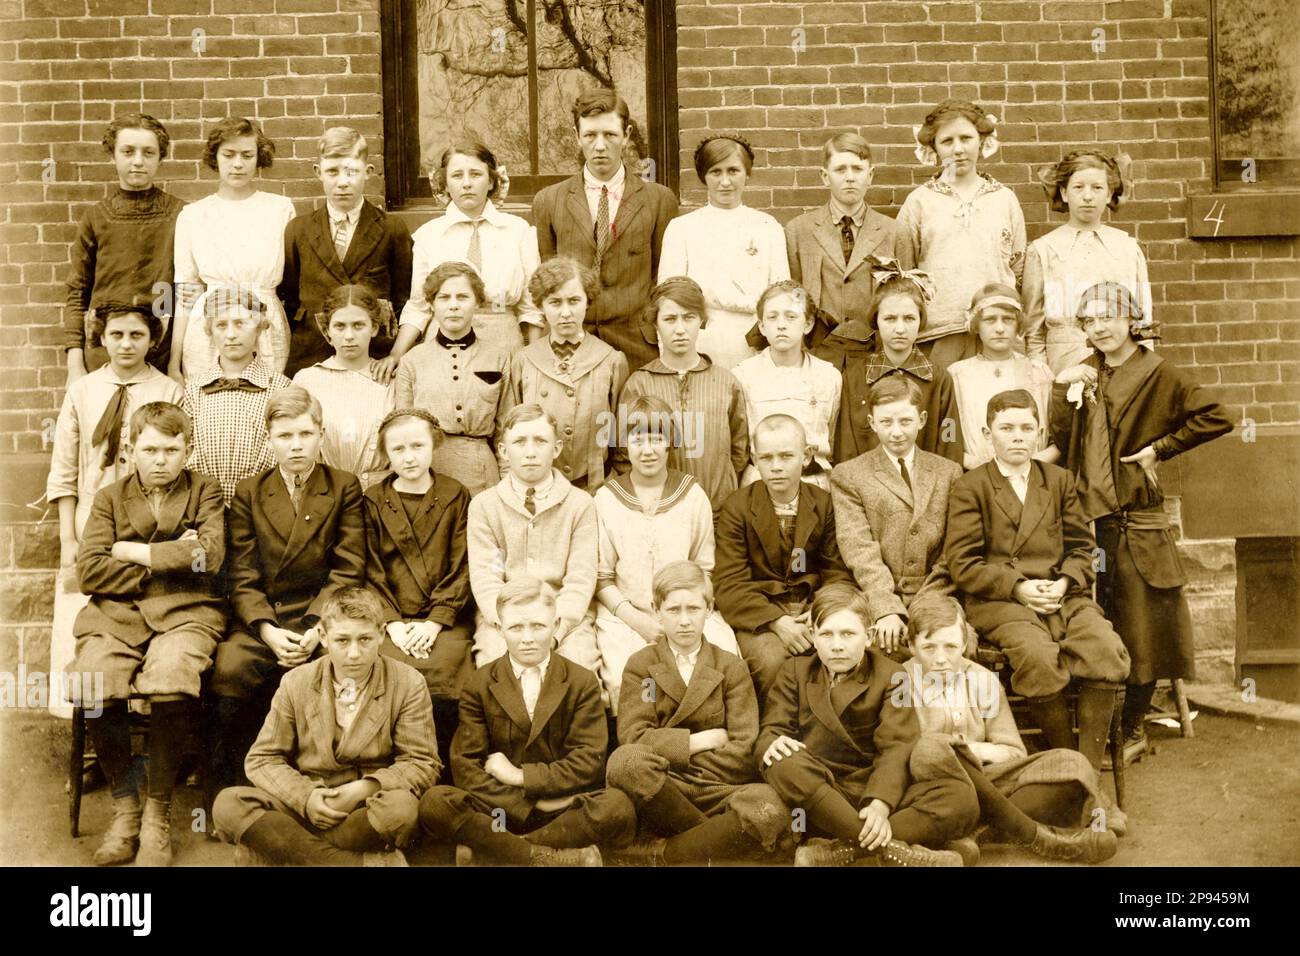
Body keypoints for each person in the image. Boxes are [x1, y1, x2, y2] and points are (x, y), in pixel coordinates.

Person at [1050, 281, 1232, 755]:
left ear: (1131, 318)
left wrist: (1160, 449)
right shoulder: (1086, 372)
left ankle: (1133, 726)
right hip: (1089, 520)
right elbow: (1063, 439)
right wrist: (1062, 389)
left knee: (1142, 623)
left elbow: (1217, 415)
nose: (1099, 327)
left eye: (1108, 316)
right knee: (1101, 620)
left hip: (1134, 518)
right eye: (1088, 320)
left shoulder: (1157, 372)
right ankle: (1102, 722)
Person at [68, 402, 226, 866]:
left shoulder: (206, 491)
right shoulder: (109, 498)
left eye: (172, 450)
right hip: (116, 616)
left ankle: (158, 813)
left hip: (188, 613)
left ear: (188, 450)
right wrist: (173, 555)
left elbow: (210, 560)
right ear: (131, 450)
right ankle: (125, 808)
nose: (161, 459)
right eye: (150, 449)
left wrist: (132, 551)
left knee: (174, 672)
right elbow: (90, 572)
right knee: (94, 679)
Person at [945, 388, 1131, 770]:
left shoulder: (1059, 480)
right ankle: (1065, 766)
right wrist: (1019, 587)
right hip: (1002, 602)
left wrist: (1064, 583)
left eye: (1027, 428)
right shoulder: (970, 486)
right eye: (1007, 428)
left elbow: (1085, 550)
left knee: (1103, 648)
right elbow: (963, 564)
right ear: (986, 433)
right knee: (1037, 657)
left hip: (1062, 594)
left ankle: (1089, 773)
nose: (1017, 436)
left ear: (1039, 433)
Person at [208, 387, 367, 794]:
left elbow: (348, 568)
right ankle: (232, 786)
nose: (296, 445)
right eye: (285, 436)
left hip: (324, 618)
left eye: (305, 434)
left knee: (337, 666)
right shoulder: (249, 491)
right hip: (266, 619)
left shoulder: (345, 486)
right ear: (268, 439)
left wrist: (318, 627)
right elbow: (241, 574)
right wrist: (267, 630)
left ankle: (316, 783)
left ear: (321, 434)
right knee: (231, 667)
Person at [418, 578, 637, 866]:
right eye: (516, 628)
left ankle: (503, 850)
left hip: (560, 809)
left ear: (556, 624)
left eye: (538, 626)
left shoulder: (581, 682)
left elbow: (588, 762)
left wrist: (520, 777)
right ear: (498, 629)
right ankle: (543, 857)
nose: (528, 638)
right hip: (499, 811)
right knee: (436, 802)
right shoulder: (479, 684)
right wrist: (526, 804)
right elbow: (466, 767)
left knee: (616, 807)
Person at [212, 586, 437, 866]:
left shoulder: (407, 682)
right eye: (342, 640)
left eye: (365, 639)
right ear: (323, 637)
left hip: (365, 807)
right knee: (228, 804)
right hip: (306, 804)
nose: (354, 653)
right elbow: (262, 759)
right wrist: (307, 798)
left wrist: (364, 788)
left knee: (401, 811)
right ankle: (355, 863)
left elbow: (422, 762)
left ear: (381, 634)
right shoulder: (297, 681)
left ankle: (280, 851)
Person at [757, 582, 976, 867]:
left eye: (848, 634)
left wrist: (880, 803)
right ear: (813, 635)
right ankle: (895, 852)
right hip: (818, 793)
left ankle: (841, 851)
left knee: (960, 797)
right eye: (827, 634)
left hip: (870, 785)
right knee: (781, 760)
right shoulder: (795, 671)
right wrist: (772, 741)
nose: (837, 645)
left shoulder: (893, 675)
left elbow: (896, 746)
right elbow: (772, 729)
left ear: (869, 636)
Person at [899, 593, 1121, 863]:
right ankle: (1038, 837)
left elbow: (1013, 752)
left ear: (965, 644)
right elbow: (905, 756)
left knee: (1073, 763)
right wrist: (952, 751)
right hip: (934, 792)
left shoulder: (983, 680)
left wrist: (972, 750)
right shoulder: (899, 683)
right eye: (929, 648)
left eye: (951, 647)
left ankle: (976, 834)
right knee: (932, 748)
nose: (941, 659)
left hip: (989, 781)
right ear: (911, 646)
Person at [606, 561, 791, 865]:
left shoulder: (730, 666)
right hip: (661, 784)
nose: (684, 621)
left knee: (771, 807)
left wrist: (675, 753)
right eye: (673, 610)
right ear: (656, 610)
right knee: (624, 762)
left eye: (693, 609)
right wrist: (701, 741)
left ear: (709, 609)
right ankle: (709, 841)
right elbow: (634, 736)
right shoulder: (643, 666)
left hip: (715, 786)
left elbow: (743, 747)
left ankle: (664, 853)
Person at [47, 307, 182, 718]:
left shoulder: (168, 390)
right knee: (87, 631)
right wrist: (70, 539)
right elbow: (65, 469)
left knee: (138, 624)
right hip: (93, 524)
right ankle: (89, 735)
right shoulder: (83, 390)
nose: (126, 344)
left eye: (137, 335)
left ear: (152, 341)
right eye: (117, 334)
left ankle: (144, 735)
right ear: (102, 338)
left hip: (149, 531)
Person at [592, 395, 739, 710]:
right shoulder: (606, 498)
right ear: (623, 444)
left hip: (687, 611)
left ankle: (706, 748)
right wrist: (640, 622)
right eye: (637, 439)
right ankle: (643, 749)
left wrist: (682, 617)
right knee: (628, 680)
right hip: (626, 616)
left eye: (657, 438)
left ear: (671, 441)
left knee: (719, 670)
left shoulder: (692, 494)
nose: (648, 450)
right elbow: (602, 578)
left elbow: (705, 569)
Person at [532, 88, 679, 370]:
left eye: (610, 135)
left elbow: (662, 278)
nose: (600, 146)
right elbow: (547, 280)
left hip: (638, 344)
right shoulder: (549, 201)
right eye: (590, 135)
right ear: (577, 136)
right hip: (572, 343)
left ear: (626, 135)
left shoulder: (659, 199)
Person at [714, 414, 852, 705]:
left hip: (813, 608)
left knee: (837, 654)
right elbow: (729, 583)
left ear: (806, 456)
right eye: (766, 457)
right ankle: (775, 734)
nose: (776, 466)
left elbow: (836, 571)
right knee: (771, 661)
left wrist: (819, 612)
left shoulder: (824, 504)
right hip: (762, 614)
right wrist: (777, 622)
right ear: (754, 459)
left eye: (786, 456)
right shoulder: (737, 507)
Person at [363, 408, 474, 766]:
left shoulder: (456, 495)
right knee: (382, 671)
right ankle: (391, 765)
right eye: (398, 449)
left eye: (417, 445)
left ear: (434, 445)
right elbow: (370, 569)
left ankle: (442, 768)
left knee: (448, 669)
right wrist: (392, 623)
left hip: (443, 621)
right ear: (386, 453)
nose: (408, 457)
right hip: (390, 621)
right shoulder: (373, 500)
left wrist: (434, 621)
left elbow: (462, 566)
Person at [830, 376, 964, 658]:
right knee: (884, 651)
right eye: (886, 422)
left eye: (905, 421)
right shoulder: (850, 474)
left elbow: (954, 548)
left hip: (936, 592)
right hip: (876, 593)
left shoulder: (948, 472)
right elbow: (858, 547)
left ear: (922, 419)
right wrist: (886, 607)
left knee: (946, 647)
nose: (896, 432)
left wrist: (928, 601)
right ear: (872, 421)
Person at [466, 404, 601, 674]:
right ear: (503, 451)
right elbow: (486, 578)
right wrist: (512, 628)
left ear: (557, 448)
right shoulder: (484, 505)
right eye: (519, 442)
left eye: (540, 441)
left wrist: (553, 632)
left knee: (579, 674)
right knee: (494, 673)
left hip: (564, 620)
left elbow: (580, 579)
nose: (530, 452)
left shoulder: (580, 504)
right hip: (503, 622)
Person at [894, 100, 1026, 375]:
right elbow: (905, 274)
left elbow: (1018, 268)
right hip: (939, 336)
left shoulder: (1004, 199)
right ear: (934, 148)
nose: (958, 149)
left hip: (995, 332)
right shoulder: (919, 202)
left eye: (966, 138)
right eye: (947, 141)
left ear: (982, 142)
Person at [279, 126, 412, 378]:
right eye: (332, 171)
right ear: (318, 172)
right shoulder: (298, 230)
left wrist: (393, 353)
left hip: (374, 357)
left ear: (368, 172)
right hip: (313, 353)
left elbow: (403, 298)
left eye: (351, 172)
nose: (342, 182)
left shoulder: (391, 228)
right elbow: (289, 296)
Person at [170, 117, 295, 380]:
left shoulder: (280, 209)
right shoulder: (193, 215)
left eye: (247, 155)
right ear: (215, 158)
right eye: (229, 155)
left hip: (264, 324)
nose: (238, 164)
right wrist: (174, 359)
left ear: (258, 158)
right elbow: (184, 289)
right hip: (209, 328)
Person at [63, 114, 184, 382]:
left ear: (160, 158)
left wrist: (177, 360)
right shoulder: (96, 217)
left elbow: (188, 292)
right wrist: (75, 365)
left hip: (161, 351)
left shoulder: (181, 214)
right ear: (113, 155)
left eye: (148, 152)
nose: (138, 161)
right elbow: (77, 292)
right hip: (105, 351)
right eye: (128, 152)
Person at [396, 142, 541, 358]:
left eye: (475, 174)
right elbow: (419, 307)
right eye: (457, 175)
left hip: (503, 338)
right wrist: (395, 355)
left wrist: (534, 358)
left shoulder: (518, 231)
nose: (466, 184)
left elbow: (531, 307)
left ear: (491, 181)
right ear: (444, 184)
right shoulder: (428, 235)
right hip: (444, 340)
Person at [616, 276, 749, 510]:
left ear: (701, 321)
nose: (680, 329)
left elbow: (739, 452)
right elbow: (622, 454)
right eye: (669, 319)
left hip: (718, 512)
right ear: (655, 324)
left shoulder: (726, 382)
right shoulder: (638, 384)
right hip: (660, 512)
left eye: (689, 317)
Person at [659, 134, 789, 370]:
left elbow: (781, 294)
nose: (725, 182)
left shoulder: (768, 226)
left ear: (747, 173)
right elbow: (669, 299)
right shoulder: (681, 229)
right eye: (716, 172)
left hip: (755, 343)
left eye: (733, 171)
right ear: (703, 176)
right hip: (701, 341)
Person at [815, 262, 961, 464]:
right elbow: (845, 443)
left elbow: (950, 441)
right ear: (876, 321)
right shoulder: (855, 376)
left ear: (921, 321)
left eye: (909, 318)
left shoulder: (939, 379)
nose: (900, 328)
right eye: (890, 318)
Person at [1023, 151, 1151, 373]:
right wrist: (1040, 371)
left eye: (1097, 188)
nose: (1088, 196)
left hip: (1122, 360)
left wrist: (1144, 369)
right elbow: (1032, 325)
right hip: (1064, 362)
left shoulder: (1128, 248)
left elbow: (1144, 317)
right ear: (1064, 193)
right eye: (1078, 187)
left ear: (1110, 193)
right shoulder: (1044, 250)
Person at [393, 261, 514, 495]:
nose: (454, 306)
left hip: (481, 474)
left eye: (463, 297)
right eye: (444, 298)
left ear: (478, 302)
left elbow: (506, 428)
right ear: (432, 304)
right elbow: (403, 430)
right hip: (428, 473)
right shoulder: (412, 361)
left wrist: (509, 481)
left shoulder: (499, 358)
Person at [511, 257, 628, 491]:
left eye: (574, 301)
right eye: (555, 302)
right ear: (541, 306)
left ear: (587, 301)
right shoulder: (524, 361)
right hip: (538, 487)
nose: (566, 313)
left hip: (595, 487)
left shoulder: (611, 360)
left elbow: (621, 434)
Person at [784, 132, 901, 343]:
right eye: (840, 169)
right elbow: (794, 297)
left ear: (871, 175)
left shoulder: (893, 231)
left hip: (874, 349)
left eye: (857, 169)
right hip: (819, 349)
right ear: (824, 176)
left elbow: (903, 297)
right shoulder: (798, 230)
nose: (850, 177)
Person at [180, 288, 292, 505]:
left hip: (262, 504)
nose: (231, 334)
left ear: (259, 328)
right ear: (209, 331)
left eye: (241, 323)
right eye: (221, 325)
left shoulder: (279, 387)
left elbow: (282, 449)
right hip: (205, 505)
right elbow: (187, 450)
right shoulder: (195, 389)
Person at [732, 279, 841, 490]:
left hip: (815, 484)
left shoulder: (829, 376)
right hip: (760, 484)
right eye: (772, 317)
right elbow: (739, 445)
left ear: (808, 324)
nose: (781, 325)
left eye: (791, 316)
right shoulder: (743, 375)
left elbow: (833, 436)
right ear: (762, 326)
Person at [291, 284, 394, 488]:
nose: (349, 336)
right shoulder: (307, 380)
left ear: (374, 328)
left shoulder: (391, 380)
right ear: (327, 330)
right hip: (324, 496)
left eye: (358, 325)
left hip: (382, 496)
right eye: (340, 326)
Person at [947, 284, 1059, 468]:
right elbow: (947, 433)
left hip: (1033, 474)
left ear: (1018, 325)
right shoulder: (957, 374)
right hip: (976, 474)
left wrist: (1031, 465)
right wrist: (977, 465)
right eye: (990, 320)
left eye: (1007, 319)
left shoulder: (1038, 371)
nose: (999, 328)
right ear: (976, 326)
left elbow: (1059, 436)